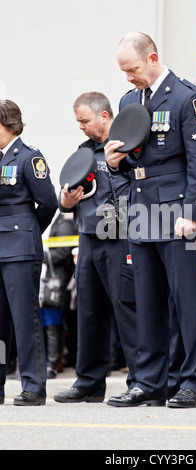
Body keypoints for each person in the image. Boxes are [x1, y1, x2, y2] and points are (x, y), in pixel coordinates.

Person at [105, 31, 196, 408]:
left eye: (132, 69)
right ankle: (148, 383)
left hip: (178, 209)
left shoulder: (188, 97)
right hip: (141, 208)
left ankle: (191, 383)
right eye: (123, 71)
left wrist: (191, 214)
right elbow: (130, 162)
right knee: (146, 301)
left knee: (188, 301)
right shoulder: (128, 100)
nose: (128, 78)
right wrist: (113, 162)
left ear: (152, 58)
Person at [54, 92, 137, 404]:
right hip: (88, 237)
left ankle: (141, 381)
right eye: (78, 122)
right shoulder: (85, 150)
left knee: (128, 309)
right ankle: (88, 382)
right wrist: (65, 202)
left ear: (104, 116)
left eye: (84, 121)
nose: (81, 127)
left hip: (120, 236)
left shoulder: (128, 144)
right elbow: (68, 192)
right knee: (88, 313)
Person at [0, 99, 58, 406]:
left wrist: (28, 229)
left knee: (25, 319)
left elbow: (48, 202)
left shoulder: (29, 158)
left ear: (8, 125)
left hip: (20, 248)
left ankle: (33, 386)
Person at [41, 211, 78, 379]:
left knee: (52, 323)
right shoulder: (56, 222)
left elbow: (62, 252)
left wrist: (37, 254)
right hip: (45, 279)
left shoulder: (64, 223)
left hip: (54, 281)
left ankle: (52, 365)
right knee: (44, 323)